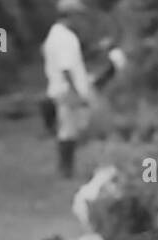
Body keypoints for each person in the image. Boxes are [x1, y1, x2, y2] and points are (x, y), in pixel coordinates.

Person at [43, 0, 93, 179]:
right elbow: (66, 68)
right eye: (79, 16)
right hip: (67, 90)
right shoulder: (65, 38)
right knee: (69, 131)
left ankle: (66, 168)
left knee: (68, 129)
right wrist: (76, 92)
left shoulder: (55, 35)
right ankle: (66, 169)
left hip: (60, 88)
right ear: (70, 16)